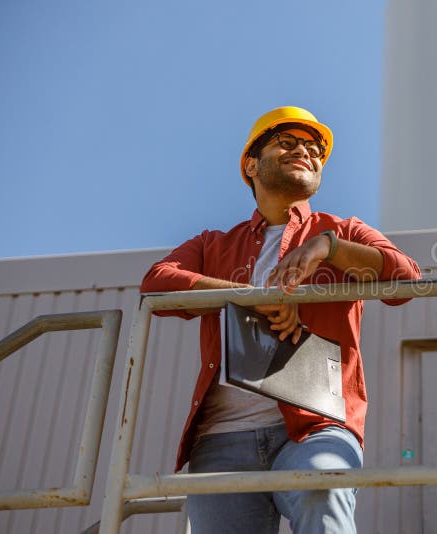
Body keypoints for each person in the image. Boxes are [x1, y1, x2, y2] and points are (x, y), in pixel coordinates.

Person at [140, 106, 421, 534]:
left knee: (321, 496)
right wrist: (250, 298)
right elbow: (157, 285)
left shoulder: (343, 232)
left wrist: (326, 248)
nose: (304, 152)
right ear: (251, 165)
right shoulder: (213, 244)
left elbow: (405, 279)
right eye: (287, 142)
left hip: (316, 429)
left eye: (314, 150)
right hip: (221, 439)